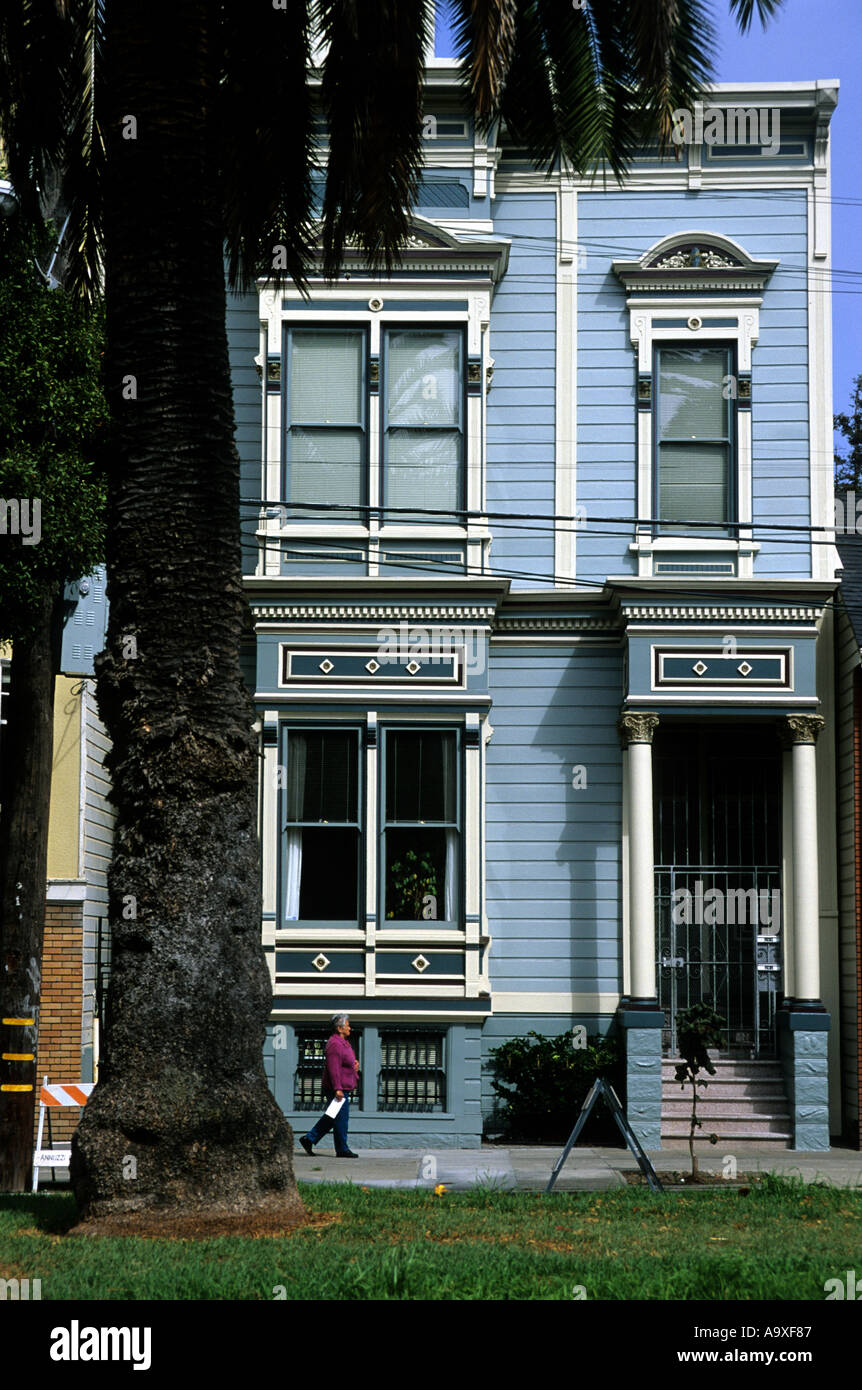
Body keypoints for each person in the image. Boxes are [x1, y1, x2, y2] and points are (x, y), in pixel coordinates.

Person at [300, 1012, 361, 1158]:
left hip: (343, 1087)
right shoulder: (334, 1044)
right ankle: (342, 1149)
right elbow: (333, 1068)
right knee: (341, 1119)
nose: (350, 1028)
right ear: (339, 1028)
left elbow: (344, 1064)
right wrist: (337, 1088)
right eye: (347, 1025)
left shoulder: (343, 1043)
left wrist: (354, 1065)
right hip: (338, 1088)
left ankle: (309, 1139)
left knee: (333, 1117)